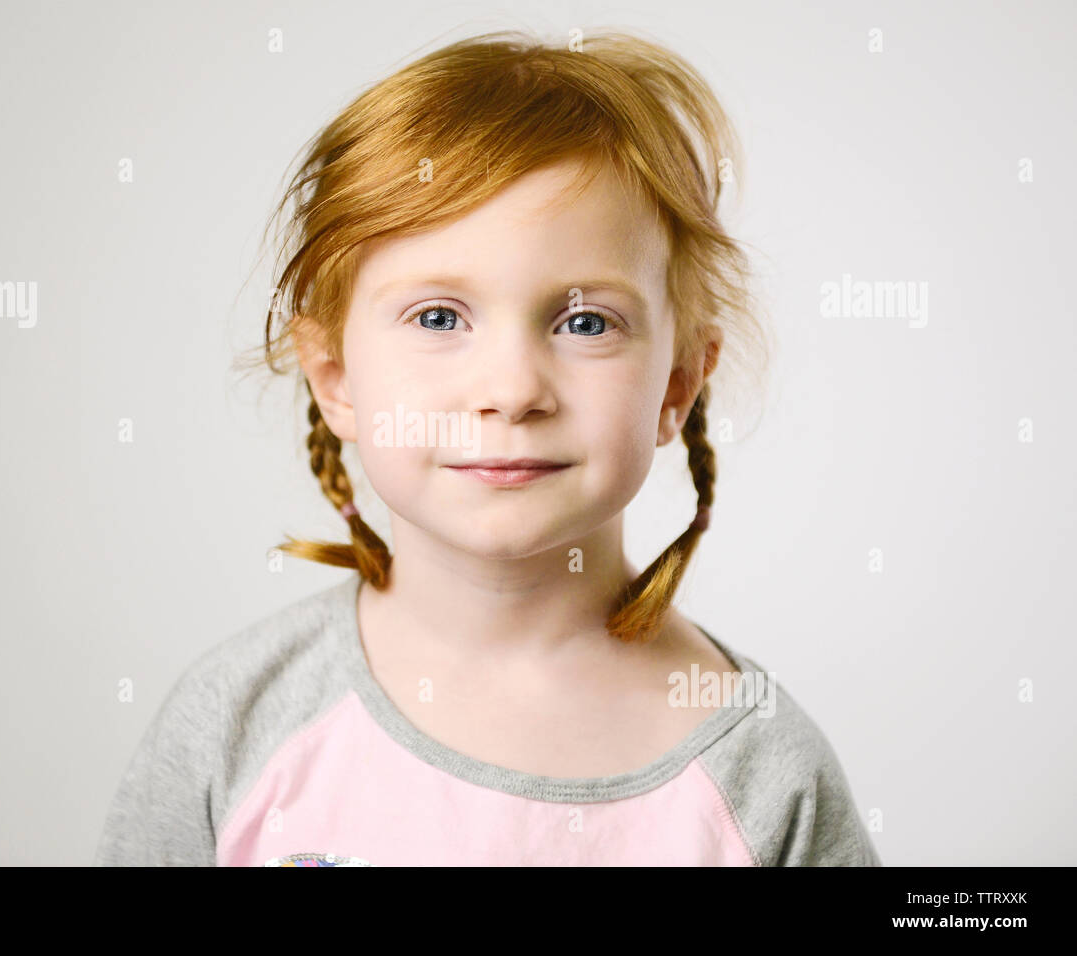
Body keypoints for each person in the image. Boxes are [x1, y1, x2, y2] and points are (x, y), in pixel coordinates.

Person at [95, 28, 880, 867]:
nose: (510, 390)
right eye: (439, 318)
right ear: (336, 379)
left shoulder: (761, 779)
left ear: (678, 385)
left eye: (585, 322)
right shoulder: (237, 722)